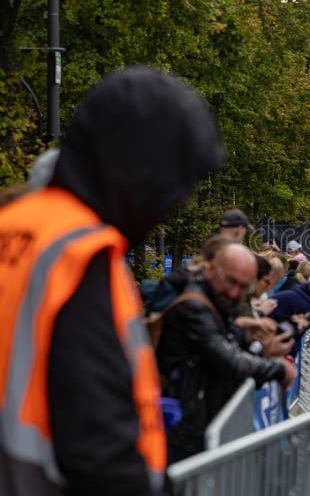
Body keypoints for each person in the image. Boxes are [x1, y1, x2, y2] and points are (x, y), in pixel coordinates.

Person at [0, 67, 225, 495]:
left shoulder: (14, 226)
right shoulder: (82, 254)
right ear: (139, 168)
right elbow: (100, 446)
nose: (177, 202)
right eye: (175, 182)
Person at [156, 243, 296, 462]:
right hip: (181, 431)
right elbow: (228, 360)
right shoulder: (194, 307)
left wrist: (259, 345)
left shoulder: (219, 303)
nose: (234, 292)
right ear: (212, 269)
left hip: (201, 425)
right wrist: (277, 368)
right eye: (230, 281)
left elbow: (234, 346)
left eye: (243, 287)